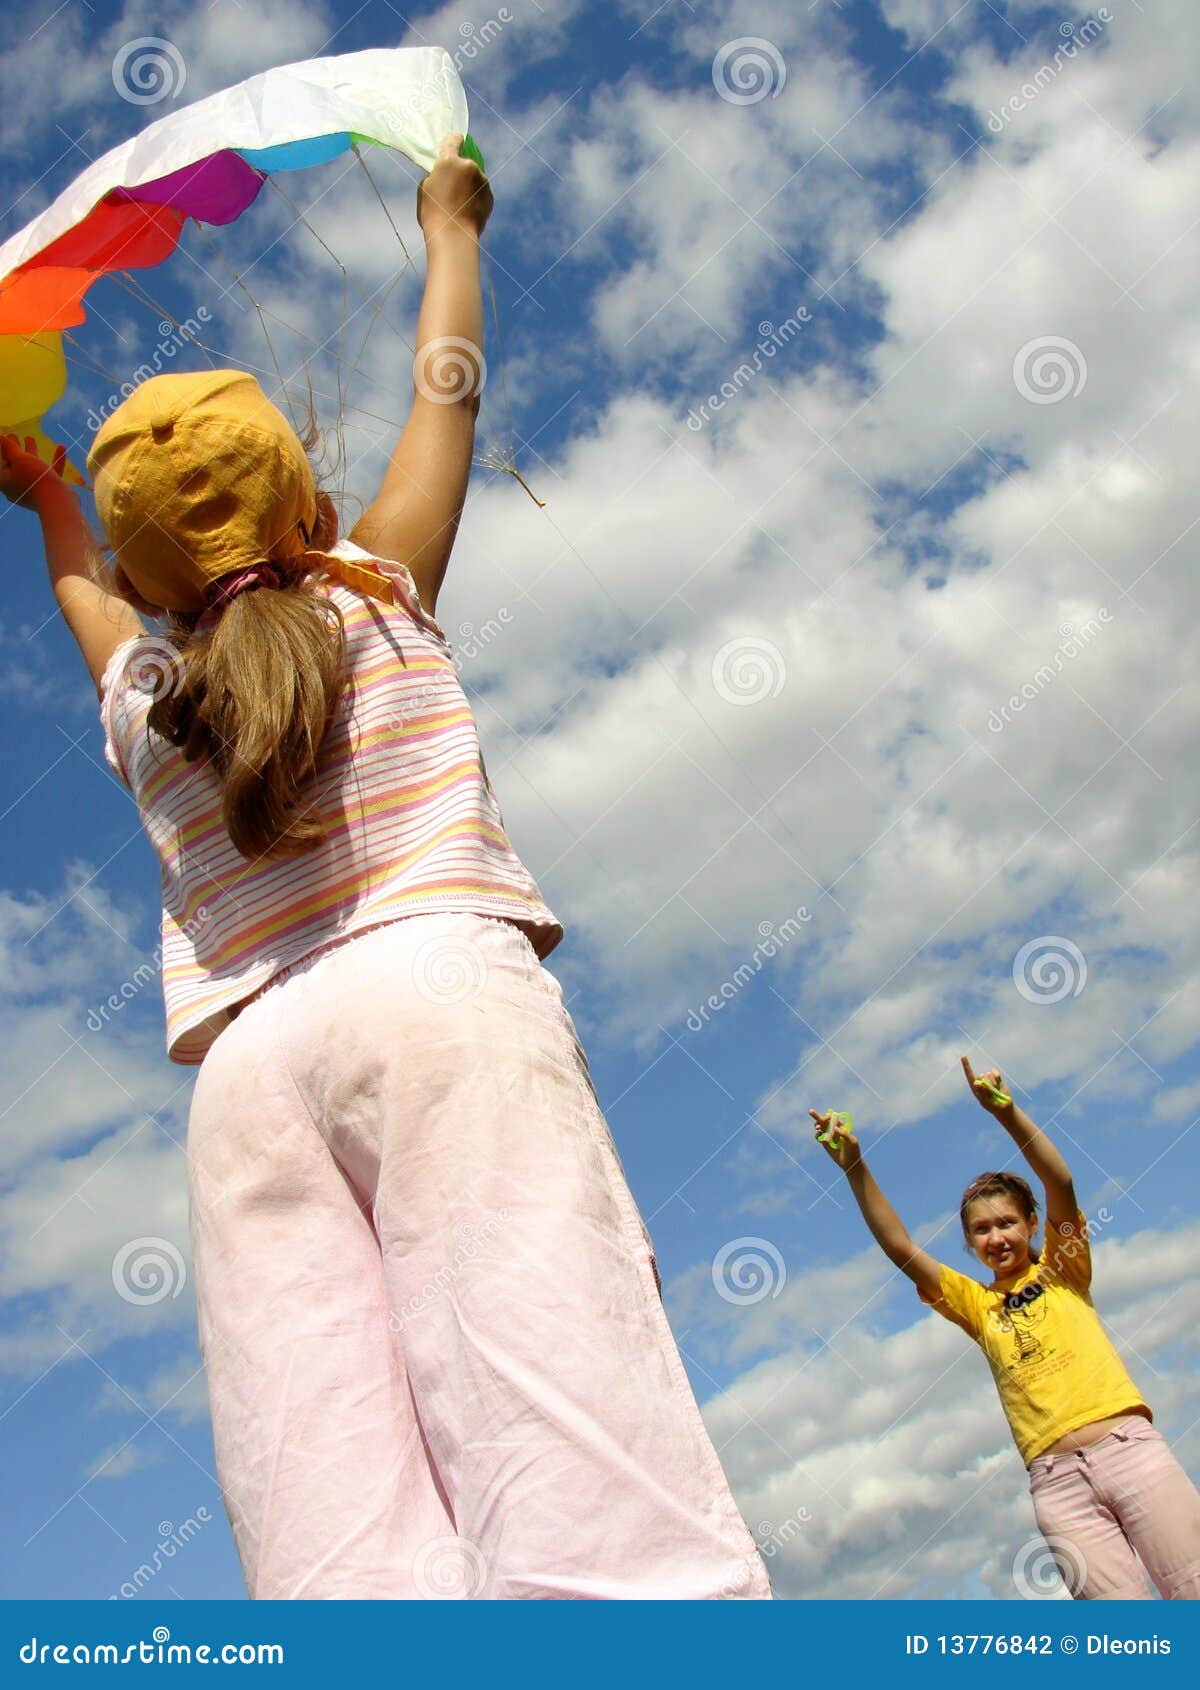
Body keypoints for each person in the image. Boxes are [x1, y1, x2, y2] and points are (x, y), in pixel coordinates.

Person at [1, 134, 771, 1602]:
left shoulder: (146, 707)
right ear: (304, 509)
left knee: (327, 1520)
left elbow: (83, 603)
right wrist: (451, 225)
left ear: (147, 575)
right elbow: (446, 392)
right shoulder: (373, 588)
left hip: (245, 1078)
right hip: (438, 1000)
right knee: (566, 1430)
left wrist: (46, 502)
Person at [812, 1057, 1200, 1600]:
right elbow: (900, 1248)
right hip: (1056, 1483)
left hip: (1129, 1450)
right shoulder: (975, 1303)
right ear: (970, 1243)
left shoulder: (1064, 1267)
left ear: (1032, 1224)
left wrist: (1007, 1112)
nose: (996, 1237)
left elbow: (1059, 1179)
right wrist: (854, 1166)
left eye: (1007, 1222)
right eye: (981, 1229)